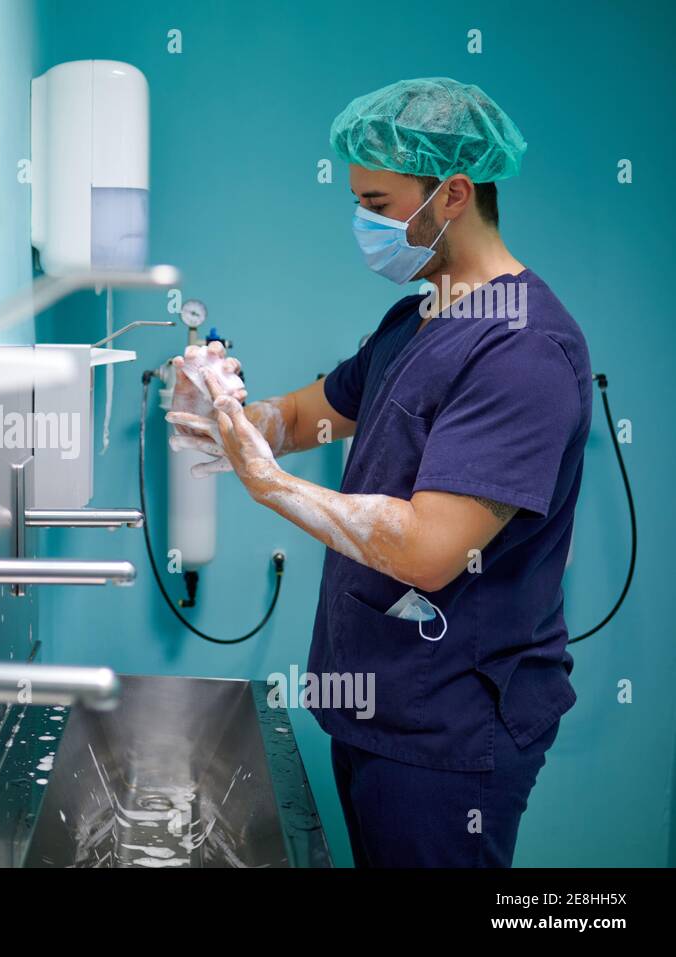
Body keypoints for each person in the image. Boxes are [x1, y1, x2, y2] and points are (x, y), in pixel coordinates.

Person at [167, 77, 591, 867]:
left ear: (454, 193)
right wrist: (218, 412)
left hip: (451, 727)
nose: (363, 223)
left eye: (380, 202)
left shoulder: (522, 351)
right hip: (378, 708)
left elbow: (432, 550)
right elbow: (301, 417)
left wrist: (268, 484)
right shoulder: (421, 316)